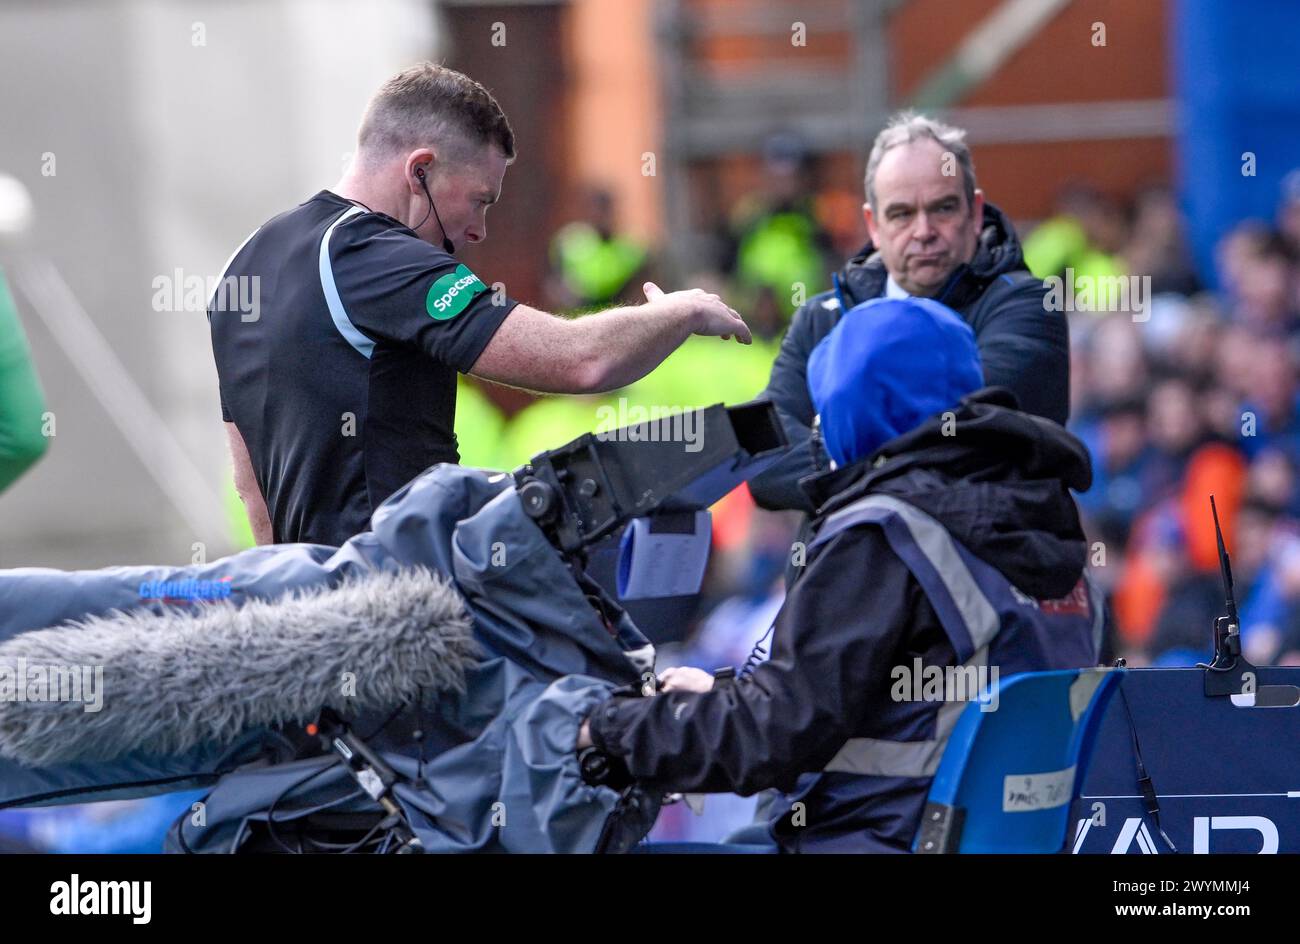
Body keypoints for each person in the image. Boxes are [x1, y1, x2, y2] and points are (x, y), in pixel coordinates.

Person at [576, 296, 1102, 853]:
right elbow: (890, 712)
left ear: (852, 407)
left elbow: (770, 739)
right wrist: (722, 697)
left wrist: (609, 726)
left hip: (869, 836)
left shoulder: (882, 534)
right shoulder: (1046, 519)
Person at [209, 63, 749, 547]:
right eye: (478, 201)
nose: (478, 230)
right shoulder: (378, 258)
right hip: (401, 597)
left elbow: (250, 487)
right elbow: (580, 361)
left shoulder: (243, 264)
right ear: (420, 170)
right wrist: (678, 313)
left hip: (305, 597)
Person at [749, 111, 1070, 515]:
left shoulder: (1027, 305)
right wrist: (882, 467)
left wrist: (833, 453)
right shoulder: (821, 318)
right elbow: (762, 457)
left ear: (975, 213)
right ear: (873, 225)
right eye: (901, 214)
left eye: (943, 208)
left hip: (985, 550)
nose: (923, 231)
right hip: (846, 554)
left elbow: (974, 439)